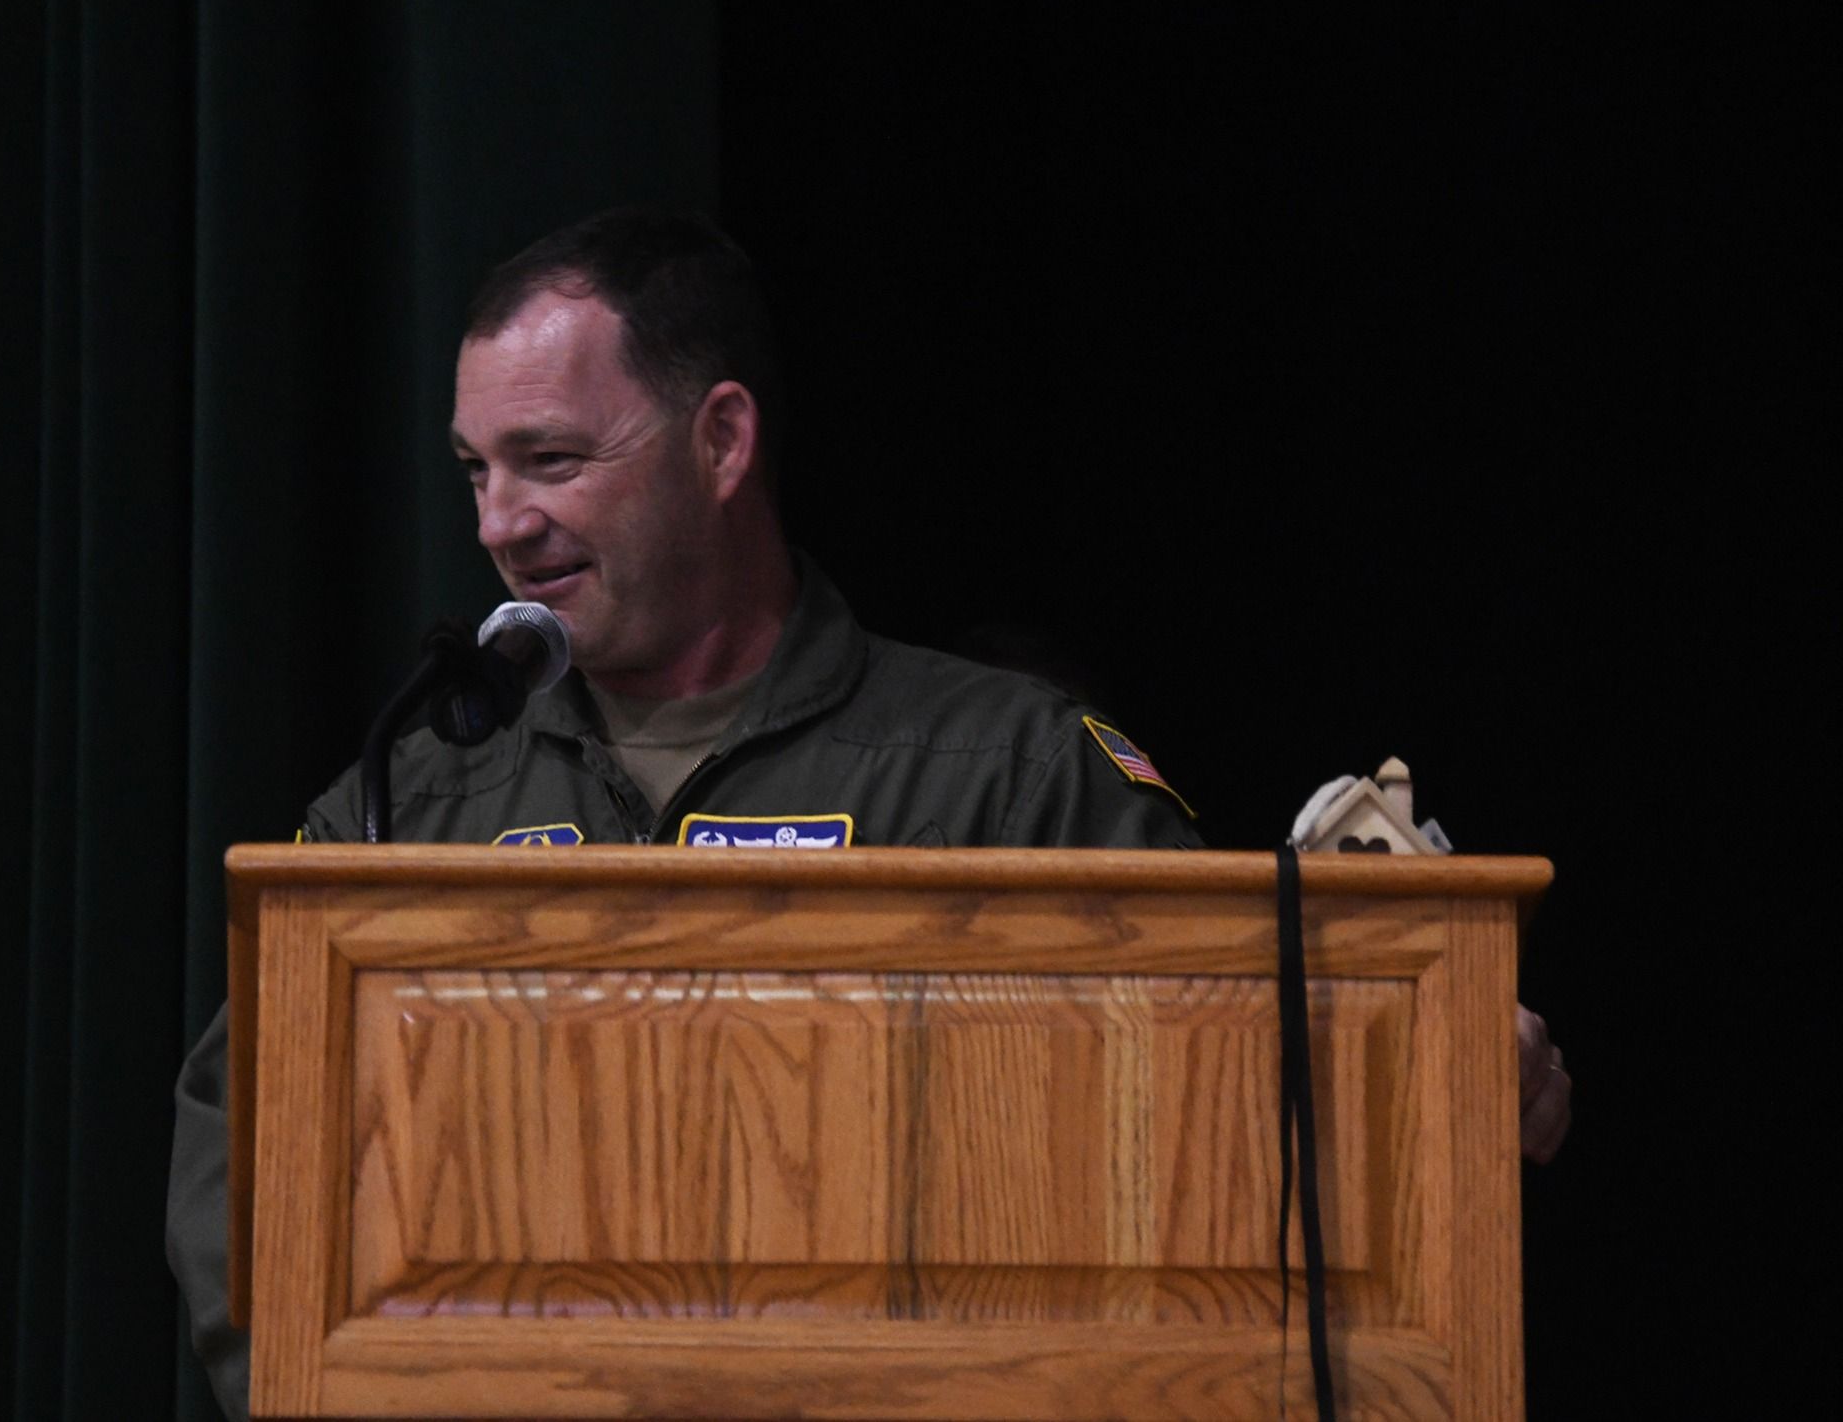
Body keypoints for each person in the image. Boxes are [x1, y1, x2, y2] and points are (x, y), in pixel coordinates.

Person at [165, 207, 1569, 1420]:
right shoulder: (420, 787)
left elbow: (1223, 1126)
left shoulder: (1004, 770)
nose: (500, 521)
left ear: (721, 441)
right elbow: (243, 1133)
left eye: (549, 459)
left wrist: (1434, 1072)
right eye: (477, 469)